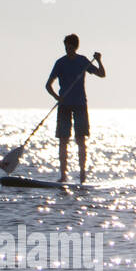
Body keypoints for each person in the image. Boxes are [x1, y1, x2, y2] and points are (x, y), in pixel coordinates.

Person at [44, 34, 106, 183]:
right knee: (63, 140)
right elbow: (48, 85)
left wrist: (98, 60)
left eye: (70, 47)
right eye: (66, 47)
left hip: (79, 104)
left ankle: (83, 175)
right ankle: (63, 176)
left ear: (75, 47)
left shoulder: (82, 61)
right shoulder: (60, 63)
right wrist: (57, 97)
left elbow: (102, 74)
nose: (67, 49)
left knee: (80, 139)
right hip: (64, 105)